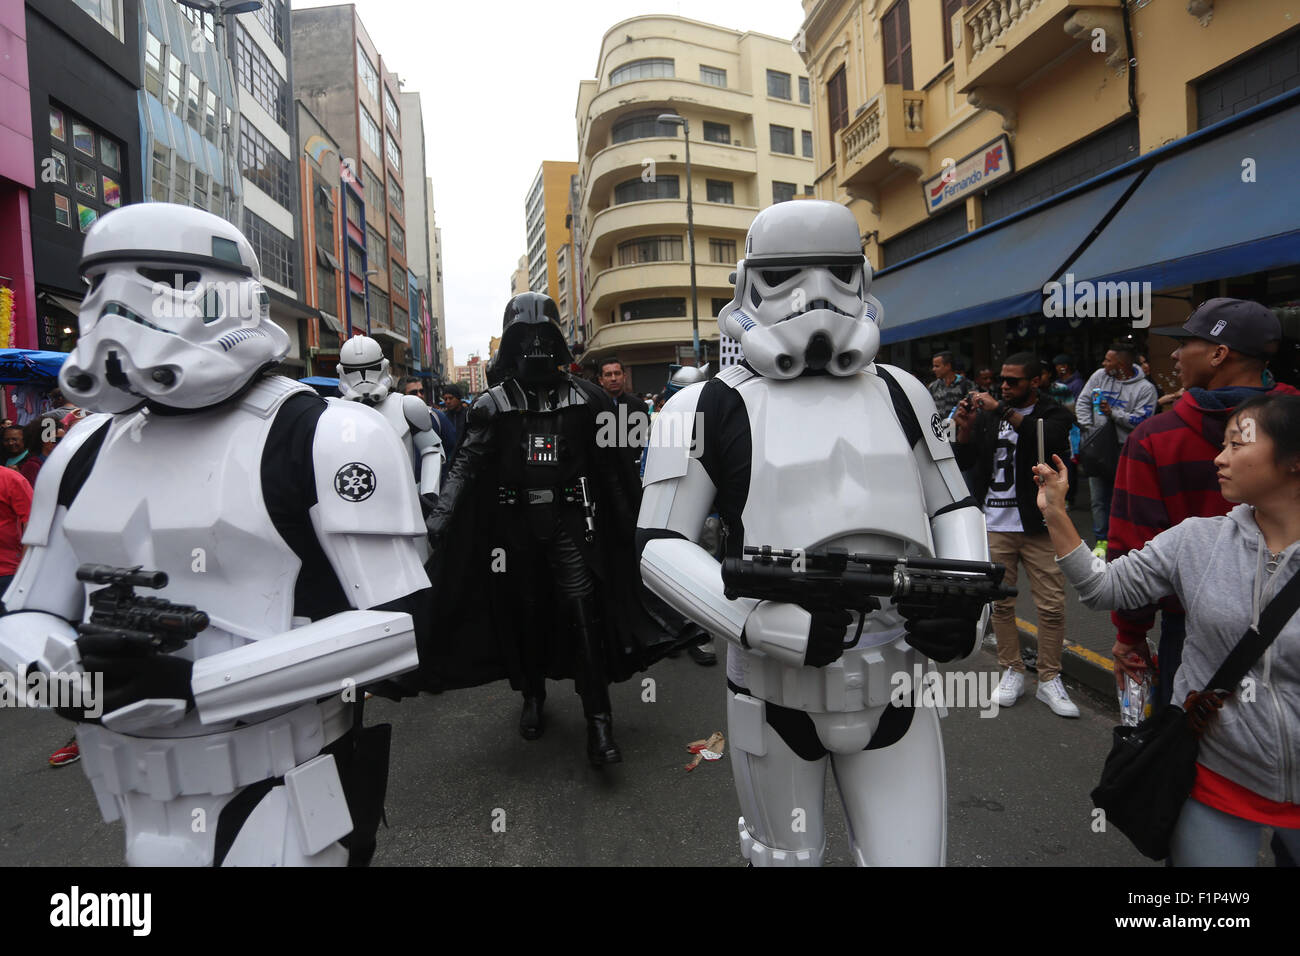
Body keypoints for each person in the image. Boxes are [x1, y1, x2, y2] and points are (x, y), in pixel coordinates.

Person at [0, 203, 430, 866]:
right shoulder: (82, 449)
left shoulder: (326, 434)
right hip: (133, 795)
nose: (117, 308)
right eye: (97, 285)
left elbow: (402, 625)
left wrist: (195, 687)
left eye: (163, 277)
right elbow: (25, 611)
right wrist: (63, 677)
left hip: (285, 782)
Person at [638, 200, 991, 866]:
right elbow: (657, 546)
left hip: (896, 683)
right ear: (747, 284)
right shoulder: (702, 405)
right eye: (786, 275)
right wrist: (754, 622)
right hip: (774, 691)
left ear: (862, 277)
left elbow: (954, 506)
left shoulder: (902, 392)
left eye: (838, 273)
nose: (816, 296)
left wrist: (967, 603)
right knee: (783, 859)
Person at [1034, 393, 1300, 867]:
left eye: (1238, 444)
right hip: (1214, 773)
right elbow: (1103, 588)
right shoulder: (1196, 539)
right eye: (1222, 444)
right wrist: (1055, 511)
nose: (1220, 457)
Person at [422, 292, 677, 767]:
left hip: (570, 527)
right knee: (526, 614)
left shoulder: (589, 398)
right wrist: (441, 516)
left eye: (545, 337)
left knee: (584, 617)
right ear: (511, 343)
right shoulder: (492, 405)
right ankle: (533, 695)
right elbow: (466, 466)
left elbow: (614, 471)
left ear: (558, 342)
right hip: (514, 531)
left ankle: (599, 722)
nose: (535, 346)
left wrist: (640, 532)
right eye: (525, 337)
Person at [1107, 298, 1299, 712]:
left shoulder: (1155, 437)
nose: (1175, 355)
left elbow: (1133, 543)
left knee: (1191, 746)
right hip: (1290, 614)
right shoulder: (1294, 423)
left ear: (1218, 353)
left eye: (1185, 343)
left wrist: (1130, 632)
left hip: (1192, 628)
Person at [953, 353, 1078, 716]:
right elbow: (967, 461)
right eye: (1002, 380)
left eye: (1013, 381)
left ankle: (1050, 677)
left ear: (1036, 381)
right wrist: (964, 427)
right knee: (1000, 604)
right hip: (995, 523)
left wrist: (1000, 411)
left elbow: (1049, 436)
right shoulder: (990, 416)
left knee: (1051, 606)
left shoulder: (1054, 412)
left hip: (1038, 524)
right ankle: (1011, 670)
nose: (1004, 386)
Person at [337, 336, 445, 529]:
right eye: (354, 371)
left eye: (371, 369)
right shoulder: (332, 412)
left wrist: (428, 493)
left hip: (404, 509)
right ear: (342, 372)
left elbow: (432, 450)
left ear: (384, 367)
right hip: (351, 511)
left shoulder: (407, 406)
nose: (363, 378)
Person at [1075, 342, 1158, 558]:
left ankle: (1123, 540)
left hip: (1126, 448)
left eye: (1108, 360)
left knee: (1123, 496)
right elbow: (1083, 401)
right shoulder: (1099, 376)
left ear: (1121, 363)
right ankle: (1101, 540)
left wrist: (1114, 413)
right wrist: (1089, 427)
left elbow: (1142, 420)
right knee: (1098, 497)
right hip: (1099, 448)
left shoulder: (1145, 389)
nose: (1103, 364)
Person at [18, 413, 64, 488]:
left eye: (65, 439)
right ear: (43, 441)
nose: (62, 442)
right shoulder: (32, 466)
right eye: (57, 439)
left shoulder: (60, 460)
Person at [928, 350, 972, 419]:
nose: (933, 369)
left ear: (948, 366)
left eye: (937, 366)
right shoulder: (933, 386)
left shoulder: (966, 385)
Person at [440, 382, 468, 458]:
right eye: (445, 399)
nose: (448, 401)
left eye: (451, 398)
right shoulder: (443, 417)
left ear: (458, 398)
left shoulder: (468, 415)